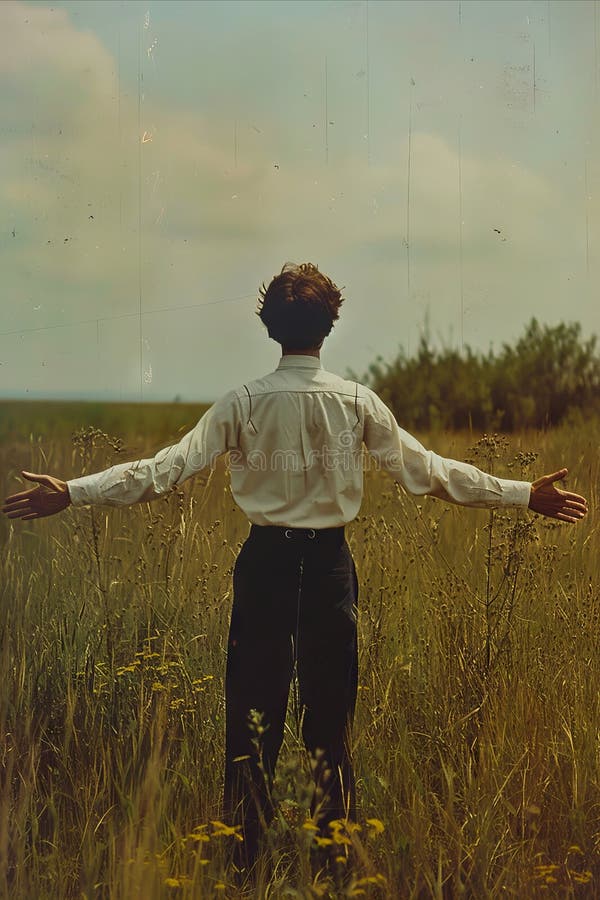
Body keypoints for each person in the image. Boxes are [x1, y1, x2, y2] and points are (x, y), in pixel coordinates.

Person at [2, 262, 589, 875]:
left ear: (269, 325)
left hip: (265, 567)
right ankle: (332, 871)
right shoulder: (357, 401)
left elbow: (164, 469)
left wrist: (72, 489)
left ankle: (244, 868)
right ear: (330, 323)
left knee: (250, 723)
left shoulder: (245, 401)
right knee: (329, 724)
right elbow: (432, 473)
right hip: (331, 566)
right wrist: (524, 492)